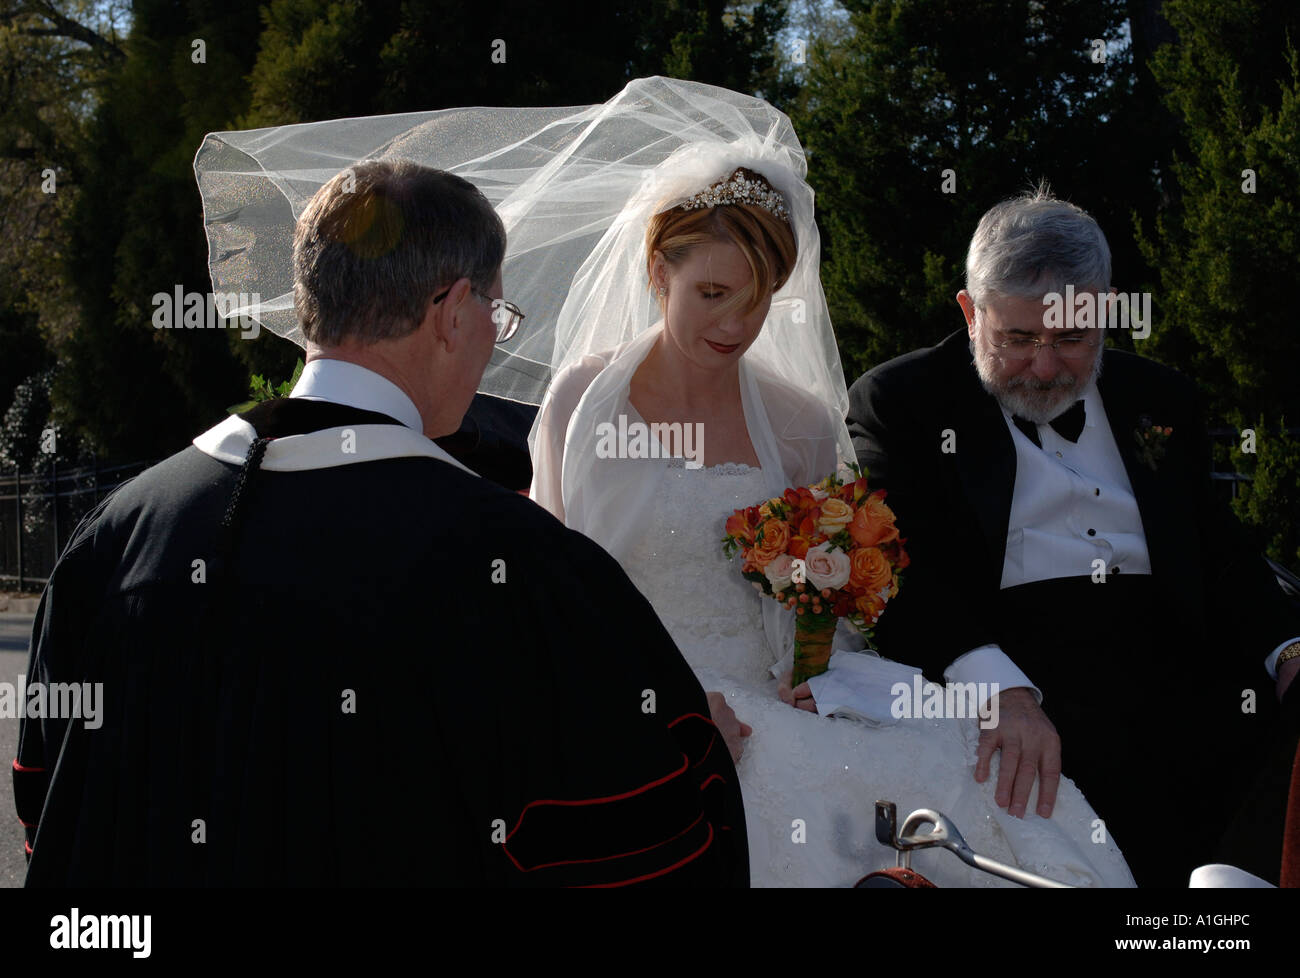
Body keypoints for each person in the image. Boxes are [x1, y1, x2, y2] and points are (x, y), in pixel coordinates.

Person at [12, 159, 748, 887]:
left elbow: (50, 801)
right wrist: (693, 752)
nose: (495, 338)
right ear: (454, 311)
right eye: (498, 313)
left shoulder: (118, 536)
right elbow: (639, 844)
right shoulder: (515, 567)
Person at [525, 84, 1135, 887]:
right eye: (711, 294)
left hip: (781, 703)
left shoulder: (802, 421)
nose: (735, 326)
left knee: (966, 792)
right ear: (655, 268)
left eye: (757, 301)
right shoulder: (583, 399)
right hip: (635, 704)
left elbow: (837, 600)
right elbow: (546, 600)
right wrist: (658, 710)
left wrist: (813, 664)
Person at [845, 186, 1300, 887]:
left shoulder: (1162, 397)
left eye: (1072, 339)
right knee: (1109, 771)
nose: (1047, 367)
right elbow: (901, 569)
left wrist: (1287, 648)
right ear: (970, 313)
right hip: (1023, 656)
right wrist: (999, 691)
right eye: (1019, 339)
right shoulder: (902, 400)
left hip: (1181, 649)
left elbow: (1219, 550)